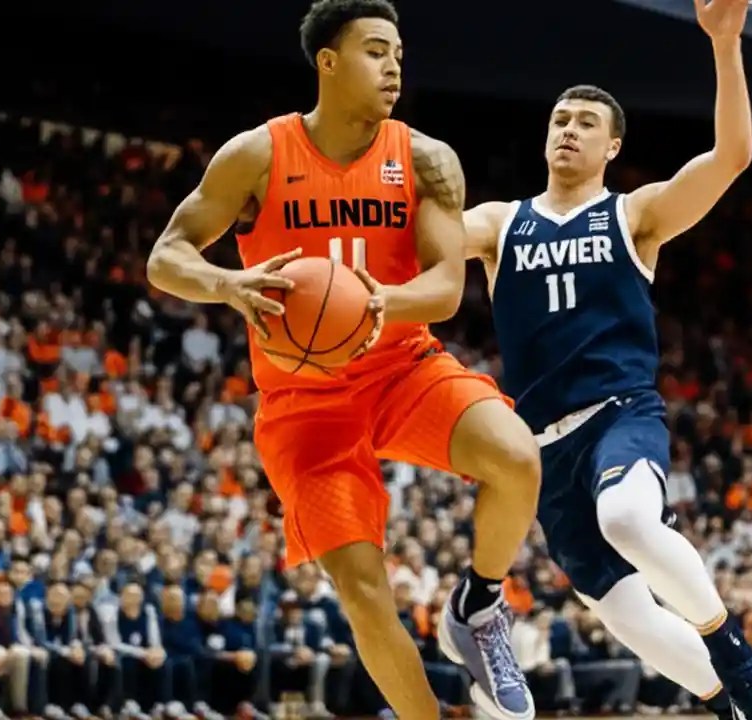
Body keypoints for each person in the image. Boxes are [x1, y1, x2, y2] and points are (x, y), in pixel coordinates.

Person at [145, 2, 540, 718]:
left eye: (398, 53)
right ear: (327, 61)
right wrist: (227, 285)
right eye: (375, 51)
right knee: (364, 592)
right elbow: (165, 257)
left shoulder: (426, 159)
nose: (393, 67)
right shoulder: (257, 155)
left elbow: (446, 289)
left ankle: (479, 607)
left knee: (517, 457)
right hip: (305, 401)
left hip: (400, 368)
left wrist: (382, 304)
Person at [461, 1, 752, 717]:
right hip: (542, 451)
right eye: (559, 120)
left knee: (631, 522)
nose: (567, 131)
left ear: (612, 147)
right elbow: (421, 249)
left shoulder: (633, 215)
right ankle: (727, 703)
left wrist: (726, 46)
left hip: (619, 414)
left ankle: (741, 664)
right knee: (624, 615)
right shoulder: (498, 223)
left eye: (585, 123)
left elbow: (731, 157)